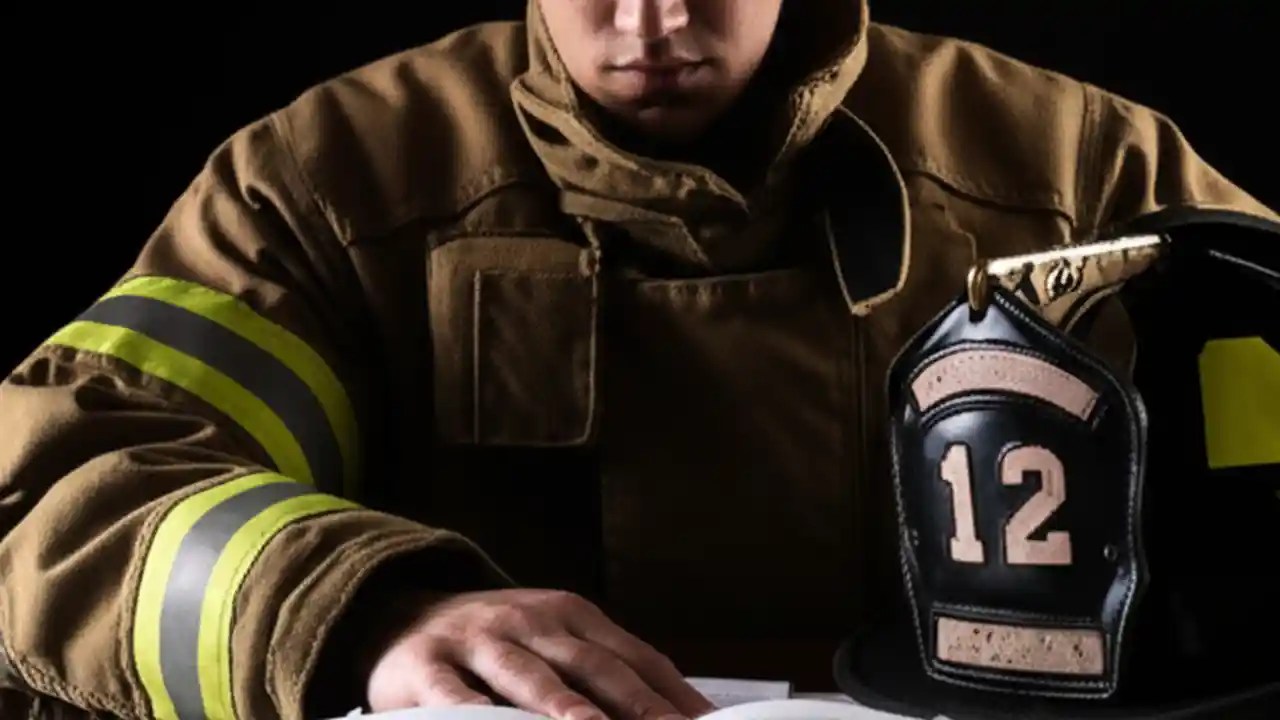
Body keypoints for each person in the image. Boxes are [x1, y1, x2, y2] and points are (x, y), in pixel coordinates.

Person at [0, 1, 1274, 719]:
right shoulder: (327, 184)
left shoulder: (1076, 170)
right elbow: (62, 493)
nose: (651, 17)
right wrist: (367, 614)